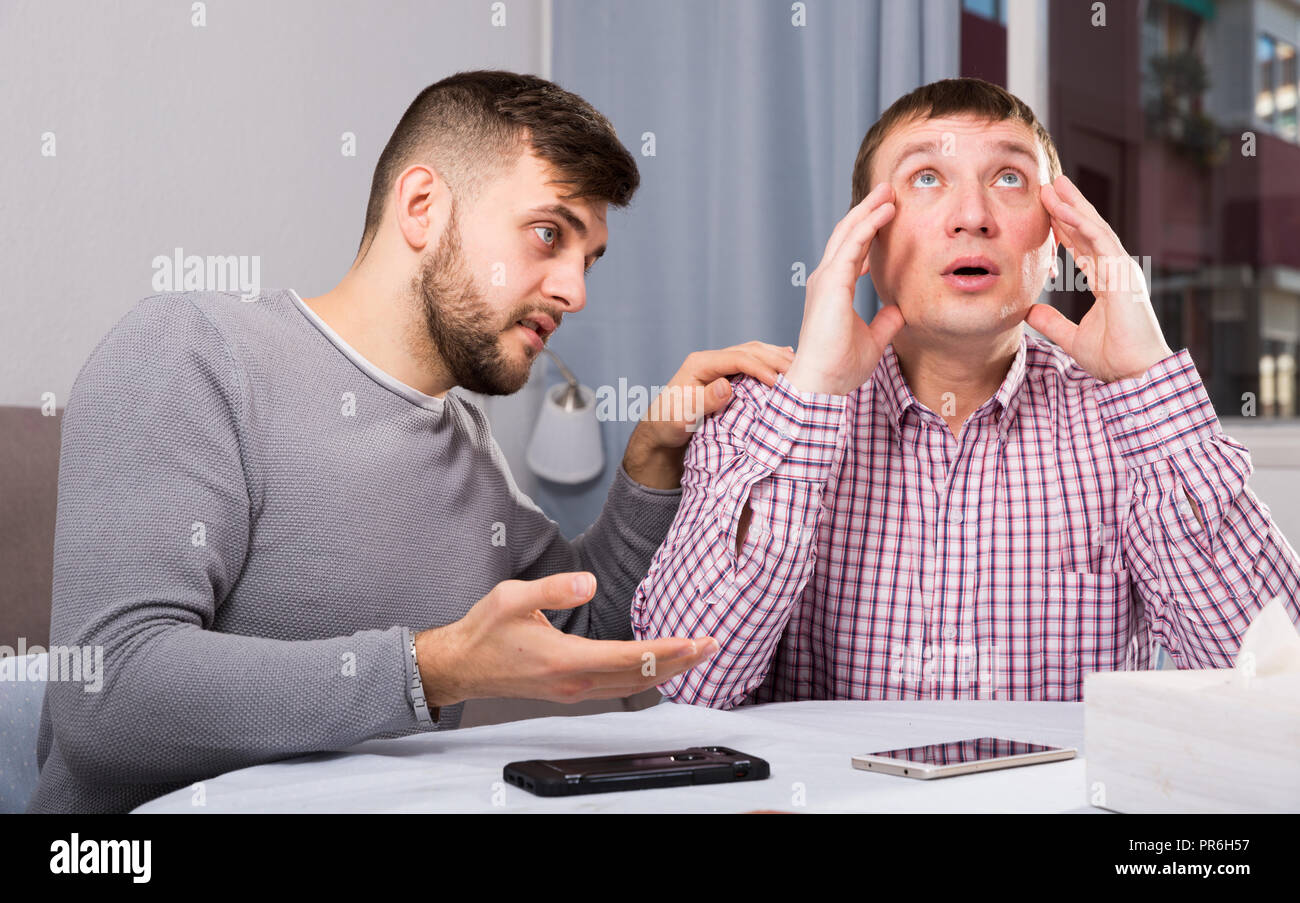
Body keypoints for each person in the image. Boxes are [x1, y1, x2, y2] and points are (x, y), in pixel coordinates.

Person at [29, 70, 794, 812]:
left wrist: (649, 462)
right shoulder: (192, 351)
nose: (576, 292)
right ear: (423, 206)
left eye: (587, 259)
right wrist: (430, 667)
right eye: (547, 234)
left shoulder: (466, 445)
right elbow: (108, 689)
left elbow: (588, 630)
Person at [632, 77, 1300, 708]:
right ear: (864, 235)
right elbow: (687, 684)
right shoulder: (761, 415)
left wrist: (1146, 384)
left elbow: (1274, 681)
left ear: (1056, 231)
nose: (972, 216)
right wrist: (812, 400)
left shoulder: (1130, 427)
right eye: (927, 178)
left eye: (1009, 178)